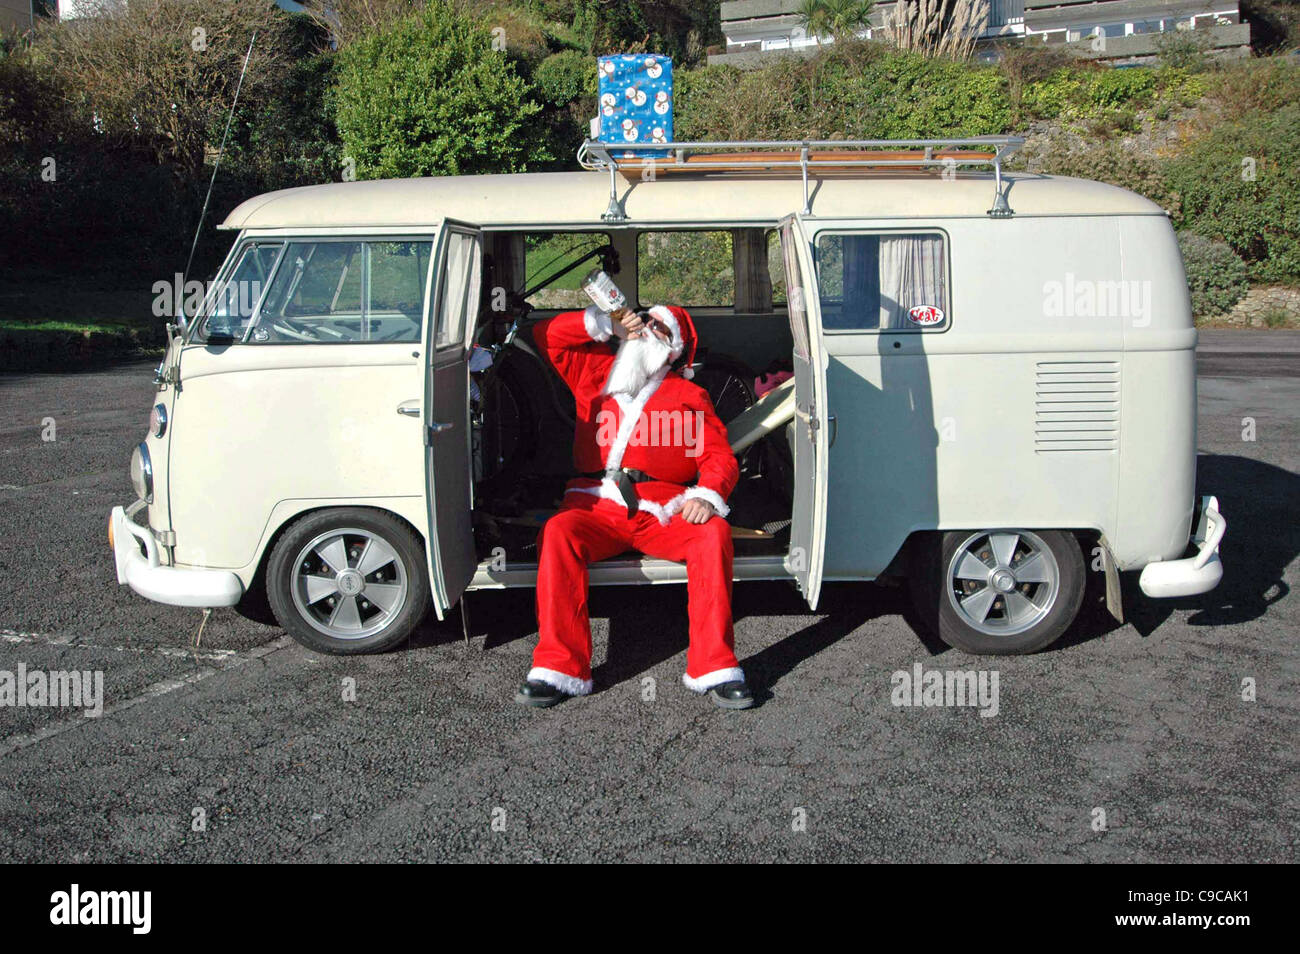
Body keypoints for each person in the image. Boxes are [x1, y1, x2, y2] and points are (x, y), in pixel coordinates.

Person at [515, 301, 754, 710]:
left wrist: (705, 494)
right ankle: (560, 667)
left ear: (674, 349)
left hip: (662, 509)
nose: (646, 330)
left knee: (712, 533)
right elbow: (547, 336)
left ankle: (714, 666)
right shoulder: (592, 374)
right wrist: (604, 324)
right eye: (645, 322)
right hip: (597, 507)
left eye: (659, 328)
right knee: (558, 531)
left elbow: (718, 458)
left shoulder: (688, 394)